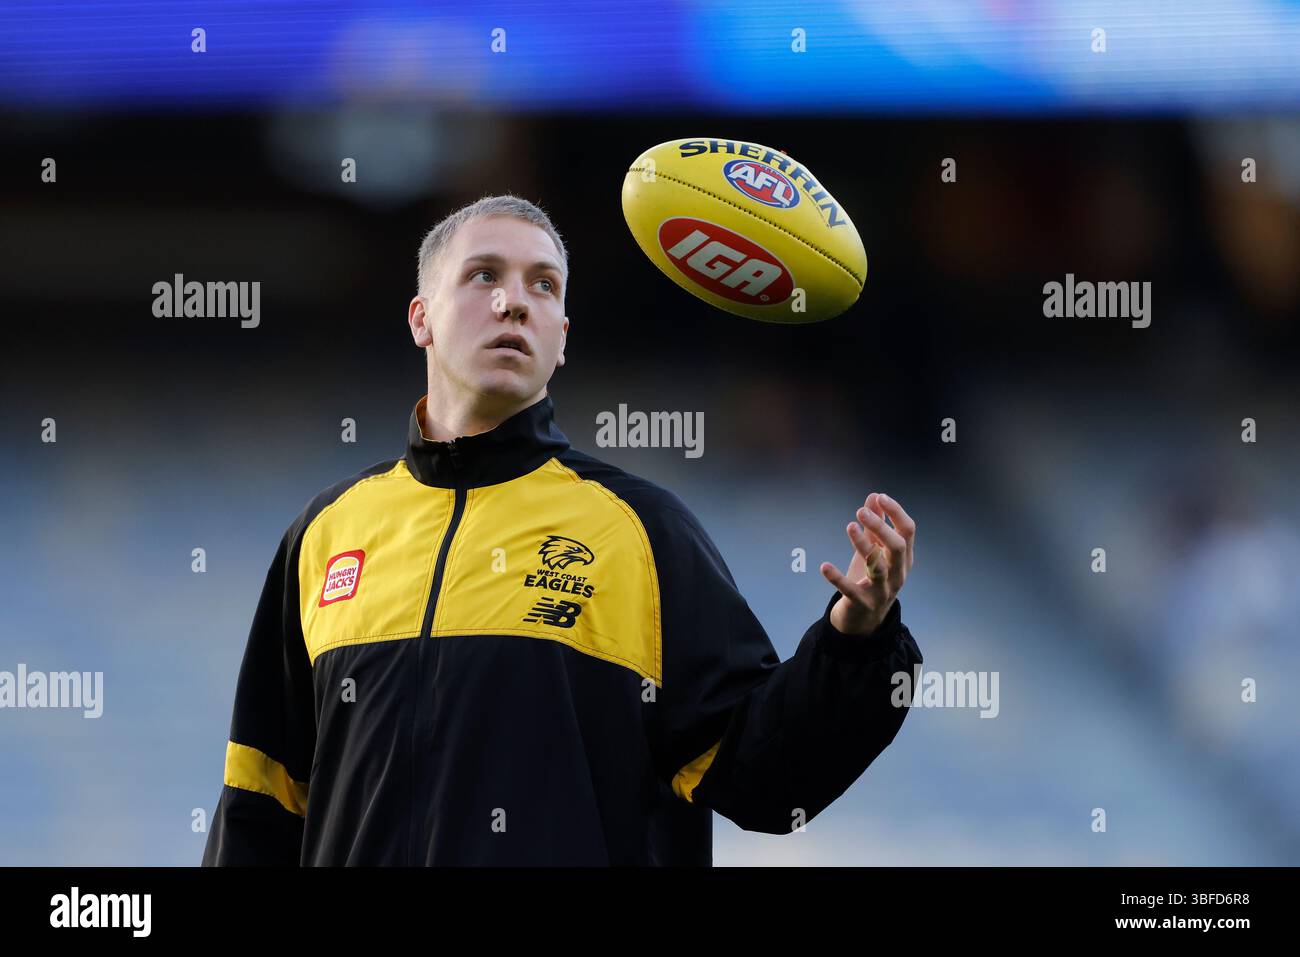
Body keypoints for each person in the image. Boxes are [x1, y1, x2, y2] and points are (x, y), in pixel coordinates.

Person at [201, 194, 923, 866]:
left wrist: (854, 643)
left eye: (543, 285)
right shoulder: (325, 535)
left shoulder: (646, 532)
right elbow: (259, 805)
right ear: (421, 317)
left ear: (563, 338)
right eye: (484, 275)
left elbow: (761, 777)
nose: (514, 301)